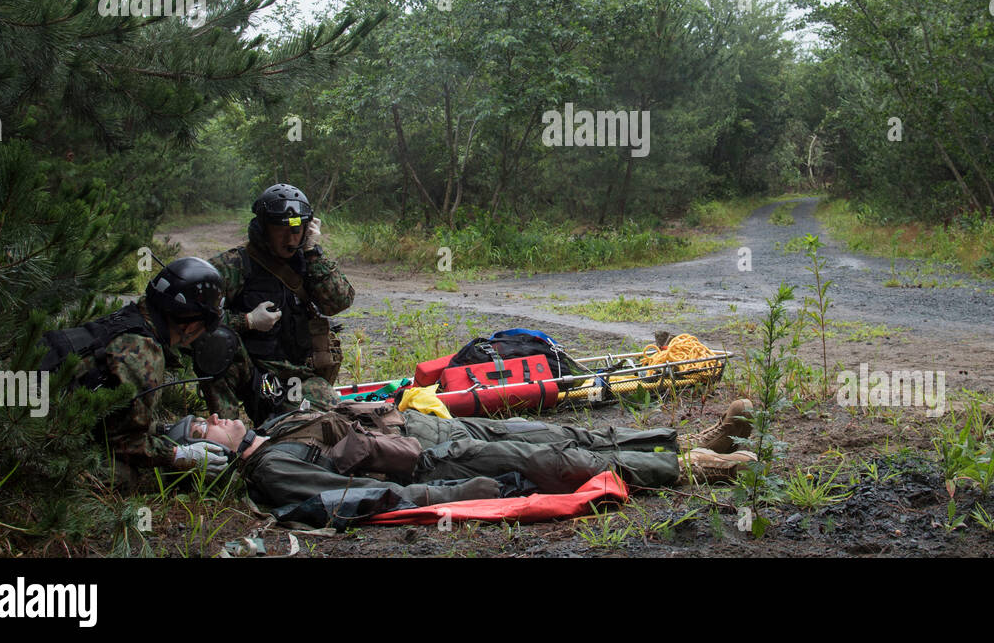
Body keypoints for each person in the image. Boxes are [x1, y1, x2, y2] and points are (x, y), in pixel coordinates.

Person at [166, 400, 756, 525]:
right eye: (203, 426)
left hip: (422, 427)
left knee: (546, 428)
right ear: (206, 453)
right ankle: (694, 468)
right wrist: (462, 491)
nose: (214, 416)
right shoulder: (274, 469)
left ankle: (679, 440)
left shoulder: (272, 431)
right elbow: (359, 496)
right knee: (551, 460)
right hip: (430, 462)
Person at [39, 257, 235, 481]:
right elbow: (122, 440)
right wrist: (177, 454)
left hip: (26, 398)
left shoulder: (128, 320)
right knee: (125, 474)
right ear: (191, 326)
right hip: (30, 426)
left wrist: (159, 429)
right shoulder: (144, 354)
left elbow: (115, 413)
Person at [203, 183, 354, 423]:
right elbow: (193, 319)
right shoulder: (235, 265)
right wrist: (247, 321)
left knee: (334, 424)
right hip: (254, 375)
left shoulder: (307, 260)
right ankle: (226, 434)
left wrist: (313, 252)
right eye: (281, 229)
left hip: (296, 376)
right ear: (264, 228)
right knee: (216, 342)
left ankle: (280, 419)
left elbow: (338, 302)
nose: (291, 237)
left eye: (297, 228)